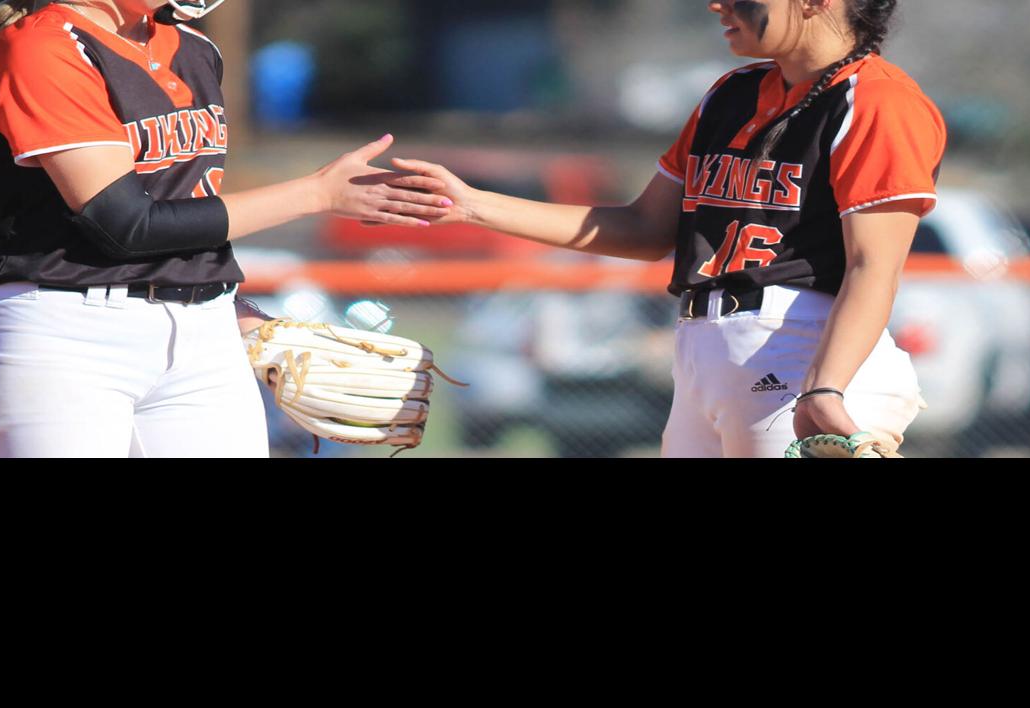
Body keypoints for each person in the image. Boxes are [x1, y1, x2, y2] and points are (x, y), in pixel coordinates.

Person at [395, 0, 941, 457]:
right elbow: (643, 228)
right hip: (705, 351)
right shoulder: (731, 95)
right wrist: (470, 205)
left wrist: (826, 386)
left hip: (802, 352)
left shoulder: (879, 102)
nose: (718, 4)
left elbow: (875, 267)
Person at [0, 0, 449, 457]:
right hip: (62, 337)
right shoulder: (42, 47)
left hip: (201, 338)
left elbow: (182, 213)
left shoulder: (195, 48)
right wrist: (317, 194)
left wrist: (228, 305)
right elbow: (123, 223)